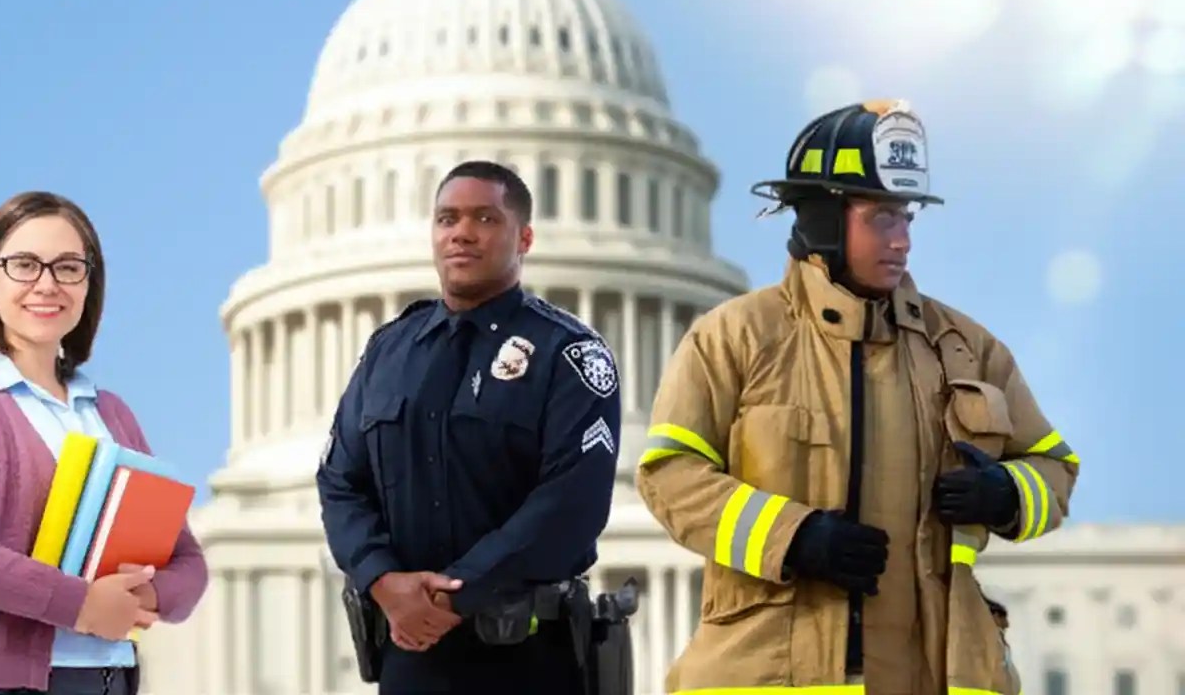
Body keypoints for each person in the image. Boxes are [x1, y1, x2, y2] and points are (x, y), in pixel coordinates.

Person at [635, 100, 1080, 695]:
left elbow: (1055, 467)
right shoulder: (734, 336)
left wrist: (1007, 494)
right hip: (773, 675)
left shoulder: (970, 348)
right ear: (822, 220)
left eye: (907, 219)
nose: (901, 242)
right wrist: (792, 535)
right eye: (880, 218)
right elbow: (670, 476)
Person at [318, 160, 624, 694]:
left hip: (529, 659)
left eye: (485, 218)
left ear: (523, 236)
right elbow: (340, 480)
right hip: (411, 655)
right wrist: (383, 580)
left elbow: (571, 504)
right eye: (447, 219)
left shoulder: (567, 354)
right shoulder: (389, 352)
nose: (461, 232)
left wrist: (457, 593)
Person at [0, 191, 209, 695]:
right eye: (25, 264)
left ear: (90, 285)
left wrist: (145, 596)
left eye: (69, 267)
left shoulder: (111, 411)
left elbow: (189, 562)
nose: (47, 284)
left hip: (107, 679)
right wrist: (84, 605)